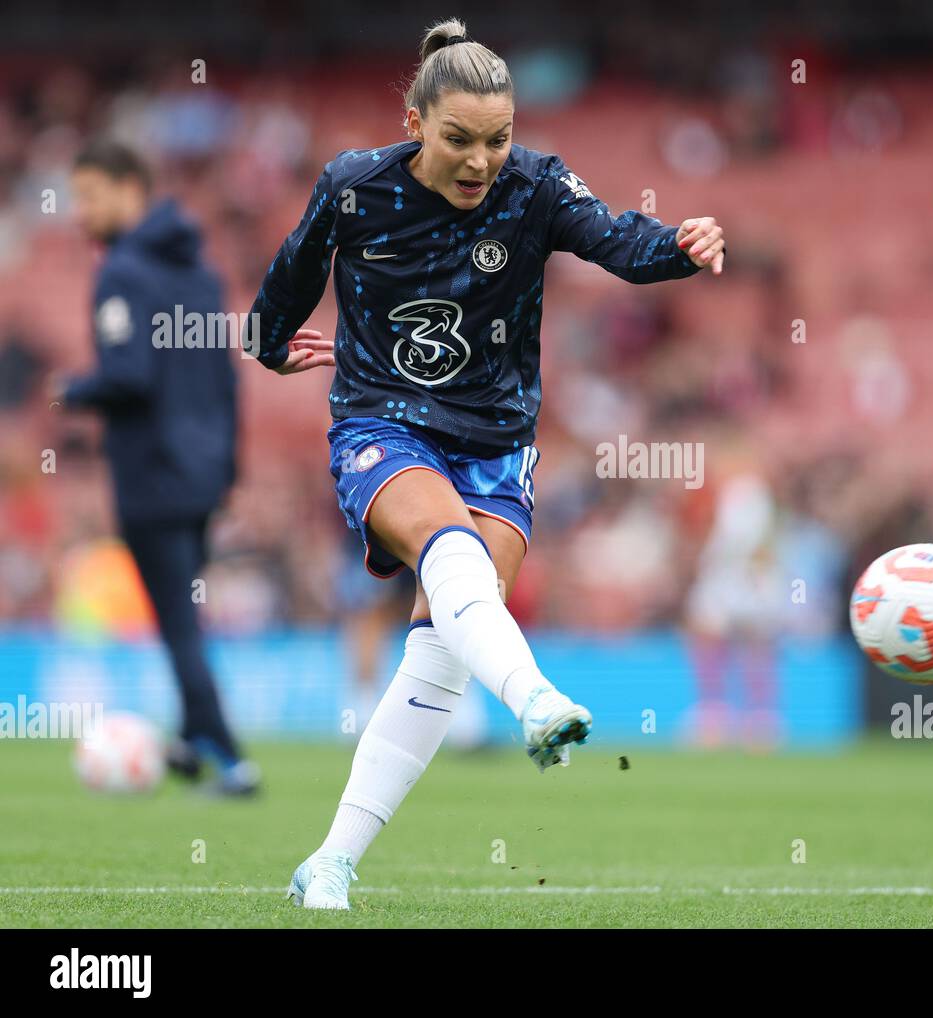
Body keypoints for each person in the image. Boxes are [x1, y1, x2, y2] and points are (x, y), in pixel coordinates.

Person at [245, 19, 725, 909]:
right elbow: (283, 282)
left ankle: (331, 863)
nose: (480, 160)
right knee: (447, 543)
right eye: (459, 139)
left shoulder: (536, 187)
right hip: (382, 424)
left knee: (442, 642)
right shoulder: (354, 188)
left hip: (497, 442)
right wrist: (270, 344)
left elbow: (619, 240)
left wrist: (681, 248)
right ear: (415, 121)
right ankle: (537, 696)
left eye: (497, 139)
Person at [53, 140, 257, 794]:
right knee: (184, 614)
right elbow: (226, 380)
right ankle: (196, 741)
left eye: (88, 195)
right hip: (201, 473)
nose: (79, 212)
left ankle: (228, 756)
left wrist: (71, 390)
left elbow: (128, 376)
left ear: (128, 188)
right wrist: (227, 470)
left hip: (151, 475)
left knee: (175, 619)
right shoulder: (200, 274)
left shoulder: (123, 272)